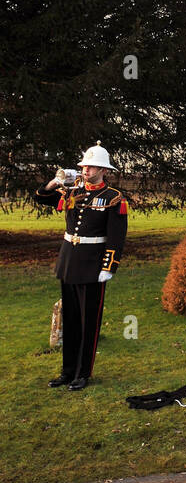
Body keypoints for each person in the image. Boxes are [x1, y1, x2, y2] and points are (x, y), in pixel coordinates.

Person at [34, 143, 128, 391]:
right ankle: (67, 371)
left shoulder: (113, 198)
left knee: (89, 323)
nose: (86, 170)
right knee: (72, 320)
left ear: (103, 170)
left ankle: (83, 373)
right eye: (84, 166)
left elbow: (116, 238)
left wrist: (108, 267)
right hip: (69, 262)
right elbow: (40, 197)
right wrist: (55, 183)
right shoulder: (73, 192)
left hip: (92, 266)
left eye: (91, 166)